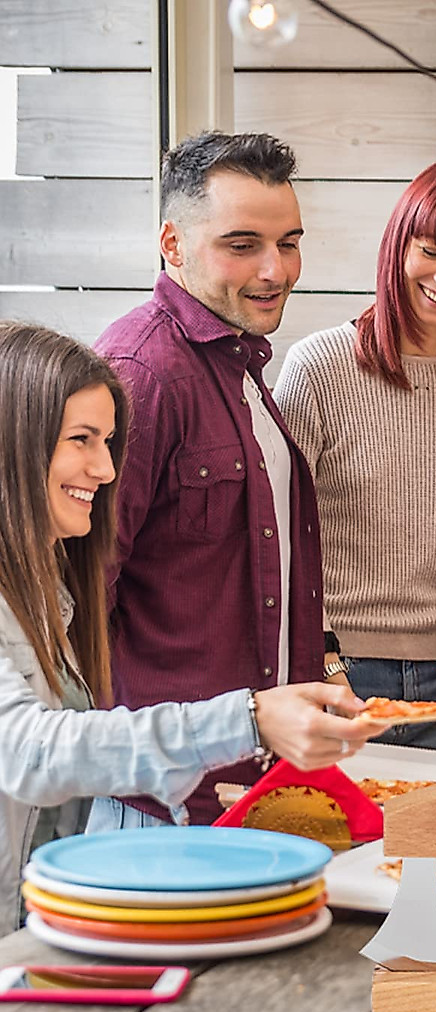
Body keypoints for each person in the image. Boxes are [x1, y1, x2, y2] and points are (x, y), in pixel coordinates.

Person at [0, 323, 372, 932]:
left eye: (109, 442)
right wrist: (247, 720)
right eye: (81, 440)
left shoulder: (52, 588)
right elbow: (26, 752)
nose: (104, 468)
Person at [93, 131, 330, 829]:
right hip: (163, 810)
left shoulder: (243, 368)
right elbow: (73, 598)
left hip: (253, 792)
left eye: (288, 242)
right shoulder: (140, 375)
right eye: (242, 245)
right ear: (172, 244)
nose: (275, 269)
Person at [274, 161, 436, 753]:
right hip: (340, 672)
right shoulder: (319, 368)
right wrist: (323, 657)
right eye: (431, 251)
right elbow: (277, 531)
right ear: (398, 247)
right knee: (347, 843)